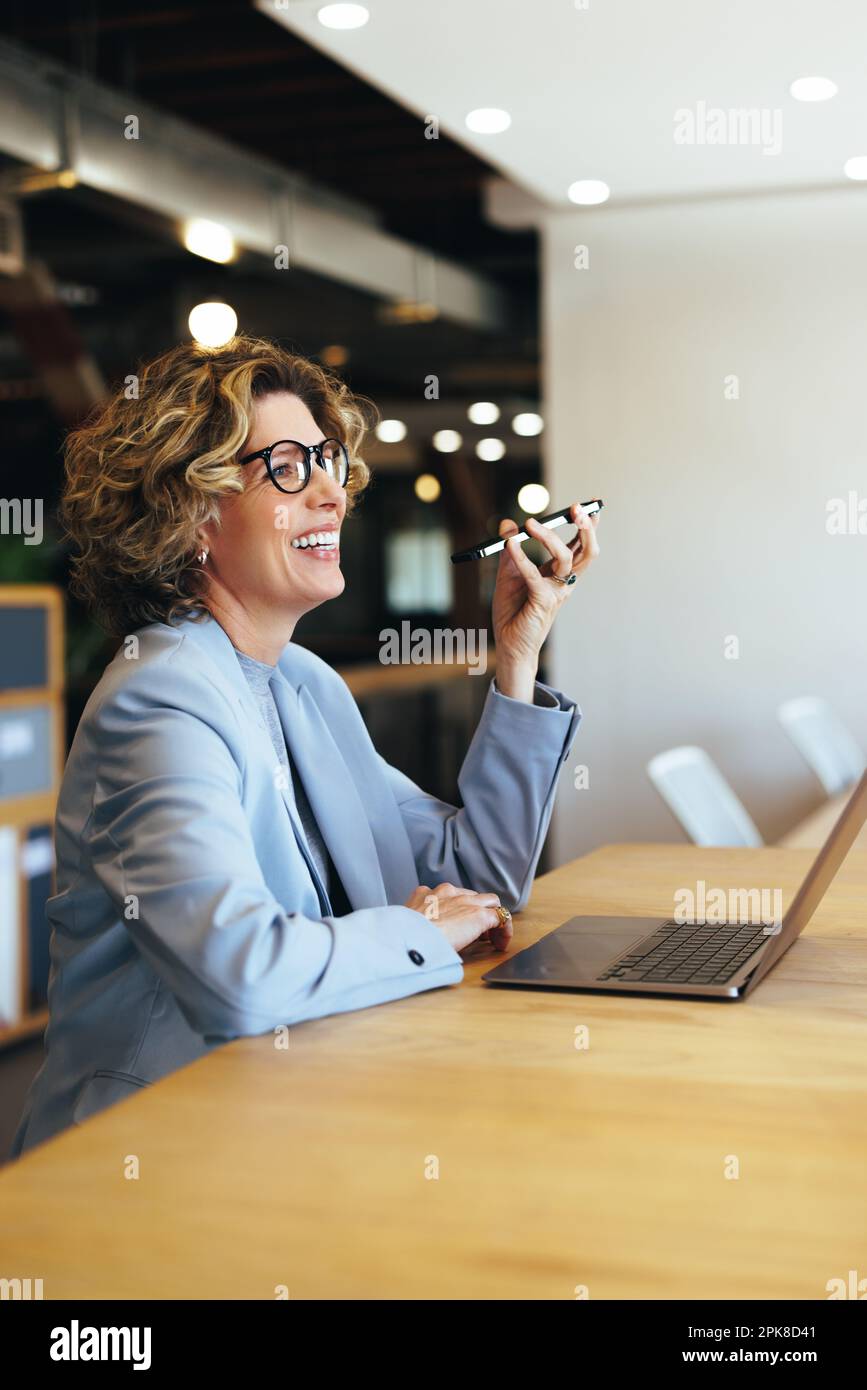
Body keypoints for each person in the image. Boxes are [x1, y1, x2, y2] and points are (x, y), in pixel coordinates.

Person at [11, 335, 600, 1156]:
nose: (332, 491)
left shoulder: (301, 681)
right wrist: (419, 928)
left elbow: (478, 882)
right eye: (288, 467)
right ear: (191, 516)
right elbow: (243, 976)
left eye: (328, 460)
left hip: (289, 1113)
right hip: (150, 1158)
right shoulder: (159, 699)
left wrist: (515, 659)